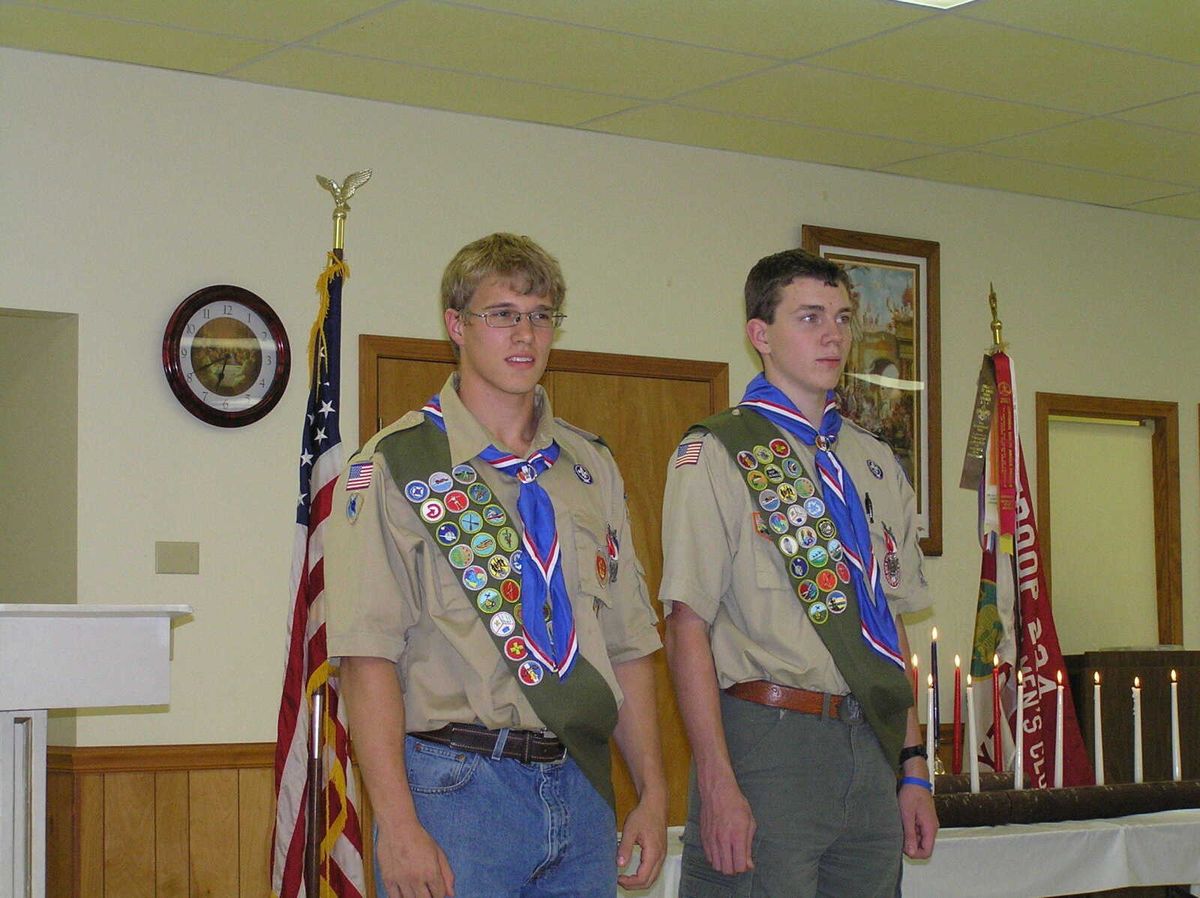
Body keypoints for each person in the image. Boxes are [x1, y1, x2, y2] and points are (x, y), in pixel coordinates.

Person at [325, 233, 667, 898]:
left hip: (582, 780)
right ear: (456, 326)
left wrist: (653, 792)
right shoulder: (396, 465)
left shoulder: (588, 466)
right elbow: (367, 660)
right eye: (502, 314)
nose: (525, 335)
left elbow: (629, 643)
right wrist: (396, 825)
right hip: (457, 789)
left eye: (541, 316)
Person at [661, 248, 938, 898]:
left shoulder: (872, 462)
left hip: (869, 738)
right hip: (769, 739)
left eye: (843, 318)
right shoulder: (719, 453)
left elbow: (887, 625)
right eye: (810, 317)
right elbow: (686, 626)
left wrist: (914, 764)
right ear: (761, 335)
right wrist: (717, 777)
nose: (833, 335)